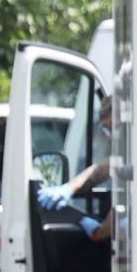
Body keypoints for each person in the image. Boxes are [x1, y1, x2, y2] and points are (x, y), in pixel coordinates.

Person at [38, 93, 114, 242]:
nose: (110, 135)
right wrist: (68, 188)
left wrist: (99, 232)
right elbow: (104, 168)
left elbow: (122, 210)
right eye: (107, 129)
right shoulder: (128, 150)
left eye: (114, 128)